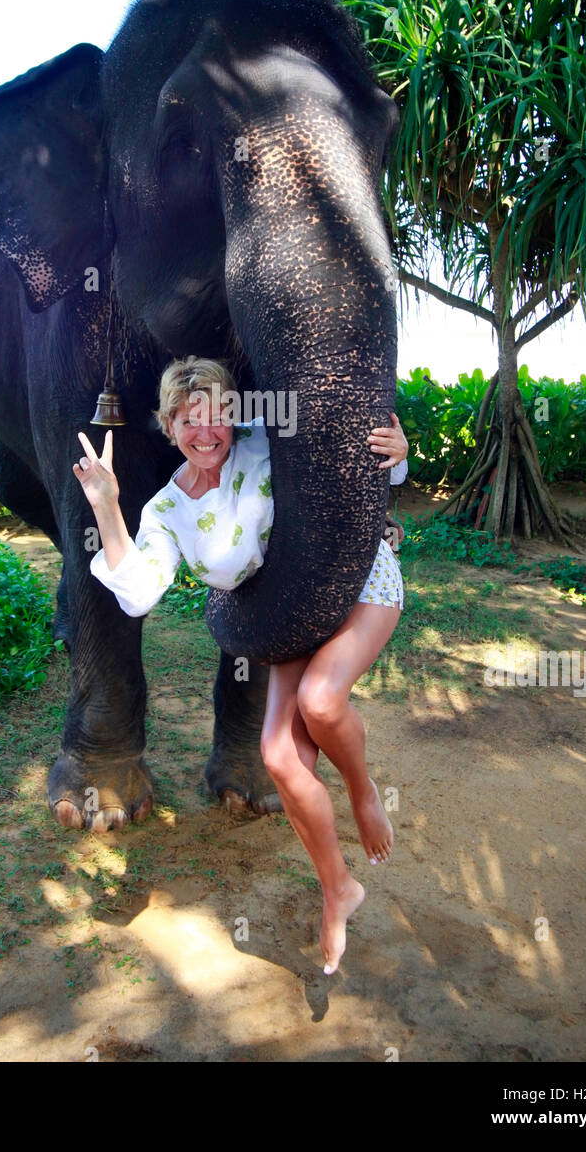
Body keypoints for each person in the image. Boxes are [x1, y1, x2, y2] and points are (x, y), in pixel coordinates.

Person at [73, 357, 408, 976]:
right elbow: (140, 590)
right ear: (169, 426)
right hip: (292, 615)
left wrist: (397, 450)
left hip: (359, 580)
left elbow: (345, 446)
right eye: (190, 421)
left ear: (235, 415)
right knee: (279, 758)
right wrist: (106, 504)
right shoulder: (166, 511)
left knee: (322, 702)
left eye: (218, 417)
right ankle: (339, 890)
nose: (208, 433)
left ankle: (364, 795)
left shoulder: (263, 440)